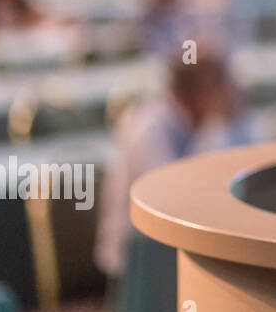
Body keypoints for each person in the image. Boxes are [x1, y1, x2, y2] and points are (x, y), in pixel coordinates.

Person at [95, 50, 252, 277]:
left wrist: (227, 122)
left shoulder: (212, 120)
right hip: (140, 265)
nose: (233, 90)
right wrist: (216, 125)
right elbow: (179, 203)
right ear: (197, 92)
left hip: (180, 252)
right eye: (223, 83)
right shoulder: (147, 130)